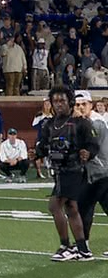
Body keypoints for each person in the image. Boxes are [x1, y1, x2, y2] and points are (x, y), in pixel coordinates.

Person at [35, 87, 95, 261]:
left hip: (75, 170)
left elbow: (92, 144)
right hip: (59, 171)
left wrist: (88, 153)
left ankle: (65, 246)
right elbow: (44, 145)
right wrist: (36, 153)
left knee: (54, 206)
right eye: (55, 101)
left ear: (69, 101)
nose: (59, 104)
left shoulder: (80, 123)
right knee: (71, 208)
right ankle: (83, 249)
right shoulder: (49, 124)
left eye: (62, 100)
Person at [76, 94, 108, 254]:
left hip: (100, 172)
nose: (80, 107)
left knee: (85, 206)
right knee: (86, 207)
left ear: (90, 104)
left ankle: (83, 246)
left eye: (84, 104)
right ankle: (83, 245)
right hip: (95, 172)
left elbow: (91, 148)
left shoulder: (96, 123)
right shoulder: (84, 122)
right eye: (77, 104)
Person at [32, 98, 54, 179]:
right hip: (41, 138)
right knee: (38, 155)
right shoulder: (39, 115)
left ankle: (50, 171)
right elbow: (34, 125)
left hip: (50, 139)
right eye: (46, 104)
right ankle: (39, 172)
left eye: (49, 104)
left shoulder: (53, 115)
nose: (47, 106)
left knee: (51, 155)